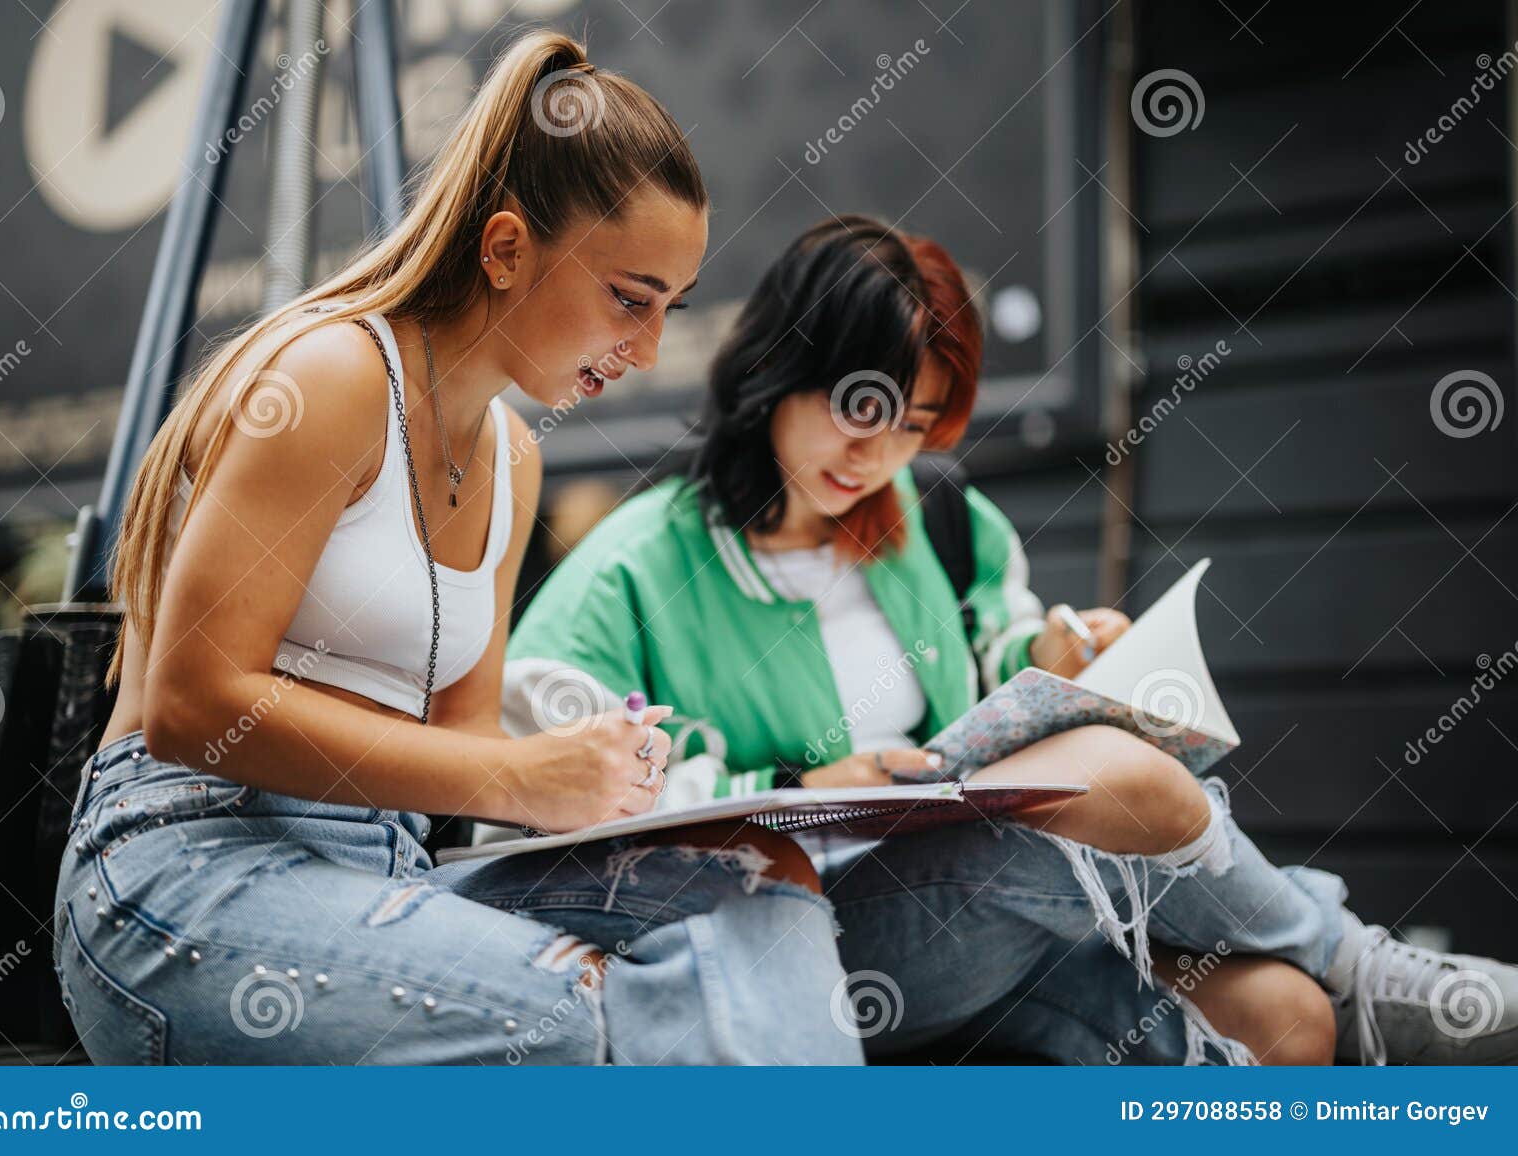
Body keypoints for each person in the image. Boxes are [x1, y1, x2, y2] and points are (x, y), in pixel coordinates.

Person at [502, 214, 1518, 1065]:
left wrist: (1057, 661)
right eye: (858, 409)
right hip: (805, 940)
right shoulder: (630, 569)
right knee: (1125, 781)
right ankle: (1359, 960)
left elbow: (994, 663)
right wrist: (793, 788)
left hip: (999, 925)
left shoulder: (933, 518)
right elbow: (534, 809)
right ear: (777, 370)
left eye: (916, 421)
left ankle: (1344, 979)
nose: (878, 452)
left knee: (1285, 1025)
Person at [51, 33, 863, 1067]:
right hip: (186, 868)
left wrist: (591, 783)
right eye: (629, 297)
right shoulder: (331, 376)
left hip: (381, 872)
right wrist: (523, 778)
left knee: (764, 887)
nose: (651, 347)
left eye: (670, 308)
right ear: (508, 248)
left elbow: (463, 772)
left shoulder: (514, 459)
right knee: (571, 1015)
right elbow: (192, 703)